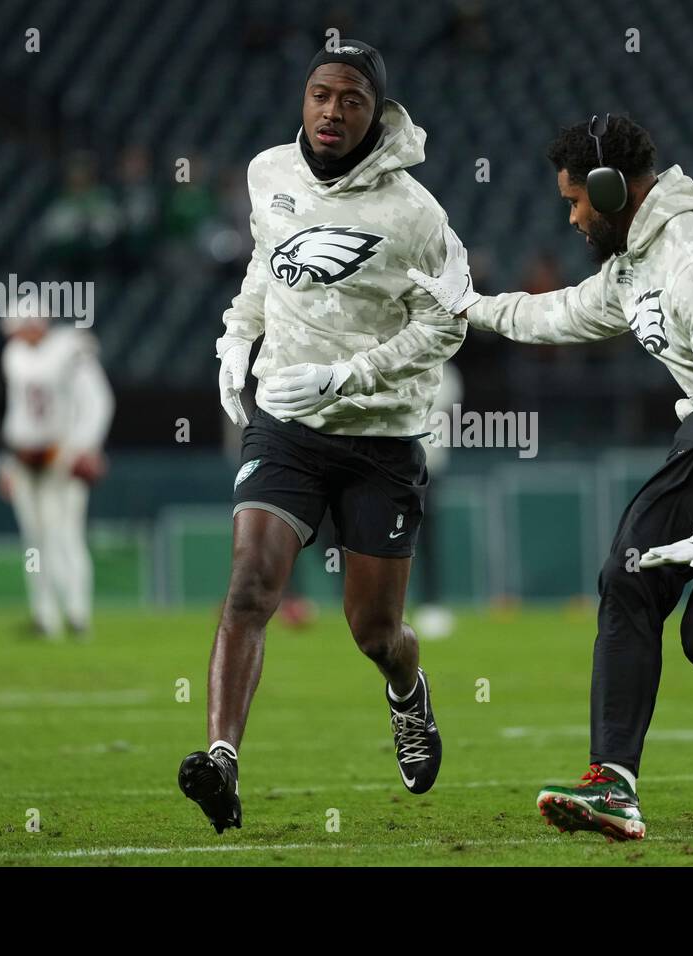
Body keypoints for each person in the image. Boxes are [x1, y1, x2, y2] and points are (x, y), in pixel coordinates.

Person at [410, 115, 693, 839]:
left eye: (575, 201)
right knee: (627, 575)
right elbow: (561, 313)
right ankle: (613, 784)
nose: (572, 216)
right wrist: (469, 307)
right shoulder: (636, 266)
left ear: (609, 187)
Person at [178, 39, 466, 834]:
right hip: (288, 427)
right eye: (319, 94)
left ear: (378, 113)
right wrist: (237, 337)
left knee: (375, 632)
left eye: (351, 100)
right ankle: (222, 760)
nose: (332, 111)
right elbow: (266, 269)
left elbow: (446, 323)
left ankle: (407, 693)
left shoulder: (416, 214)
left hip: (381, 437)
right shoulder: (266, 173)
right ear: (302, 100)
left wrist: (354, 375)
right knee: (248, 588)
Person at [0, 308, 114, 639]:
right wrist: (6, 462)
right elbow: (17, 412)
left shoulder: (71, 349)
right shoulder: (15, 355)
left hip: (60, 454)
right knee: (34, 541)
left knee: (66, 535)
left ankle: (77, 613)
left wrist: (83, 448)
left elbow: (99, 402)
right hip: (25, 457)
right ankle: (45, 615)